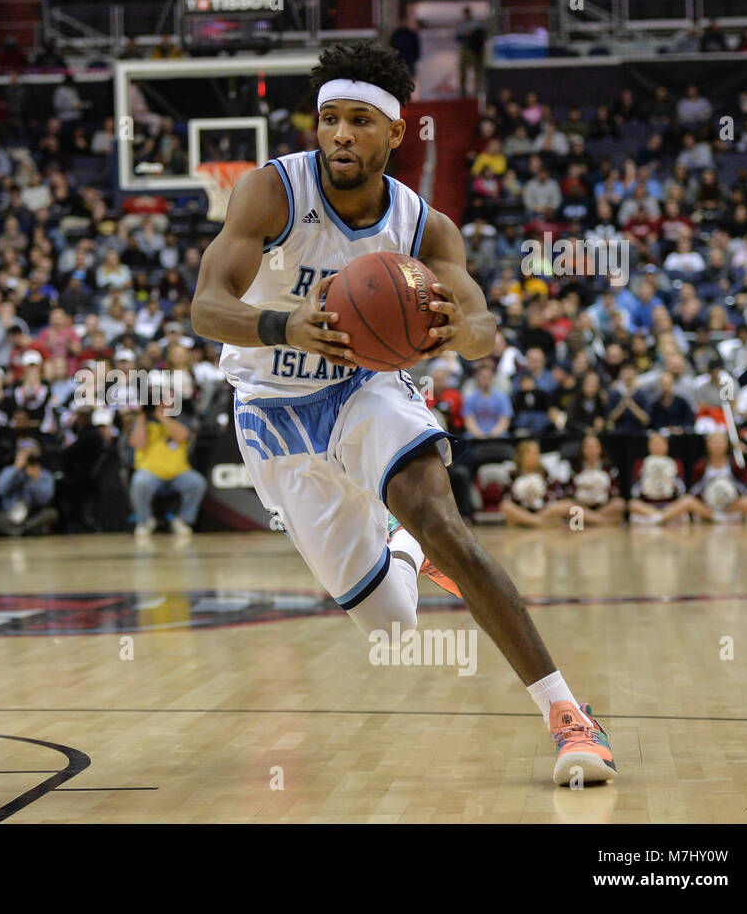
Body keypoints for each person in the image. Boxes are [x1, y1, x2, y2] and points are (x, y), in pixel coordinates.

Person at [189, 41, 615, 786]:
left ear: (395, 132)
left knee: (445, 520)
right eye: (329, 120)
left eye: (359, 120)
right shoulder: (271, 192)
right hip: (271, 409)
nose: (340, 135)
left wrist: (462, 330)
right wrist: (282, 325)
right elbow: (206, 307)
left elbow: (482, 324)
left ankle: (569, 718)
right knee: (391, 624)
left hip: (363, 389)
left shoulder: (425, 226)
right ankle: (410, 550)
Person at [126, 393, 206, 538]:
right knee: (140, 482)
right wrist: (141, 416)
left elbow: (182, 436)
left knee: (197, 483)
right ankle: (145, 521)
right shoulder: (142, 422)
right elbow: (138, 443)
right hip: (150, 471)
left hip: (179, 472)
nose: (163, 404)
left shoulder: (182, 419)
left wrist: (162, 417)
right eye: (159, 401)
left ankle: (182, 520)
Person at [0, 438, 58, 536]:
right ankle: (22, 531)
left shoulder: (45, 475)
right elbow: (0, 490)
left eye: (31, 456)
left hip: (31, 517)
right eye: (24, 454)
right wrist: (16, 470)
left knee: (51, 514)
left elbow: (44, 500)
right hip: (8, 515)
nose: (27, 459)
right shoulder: (8, 471)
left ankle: (17, 531)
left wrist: (35, 480)